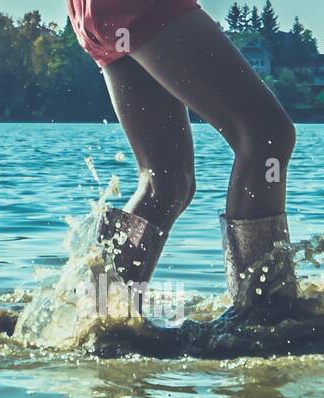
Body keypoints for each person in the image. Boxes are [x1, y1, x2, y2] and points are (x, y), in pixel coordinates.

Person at [66, 0, 298, 322]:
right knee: (265, 137)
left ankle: (98, 318)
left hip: (97, 12)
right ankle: (265, 317)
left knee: (166, 183)